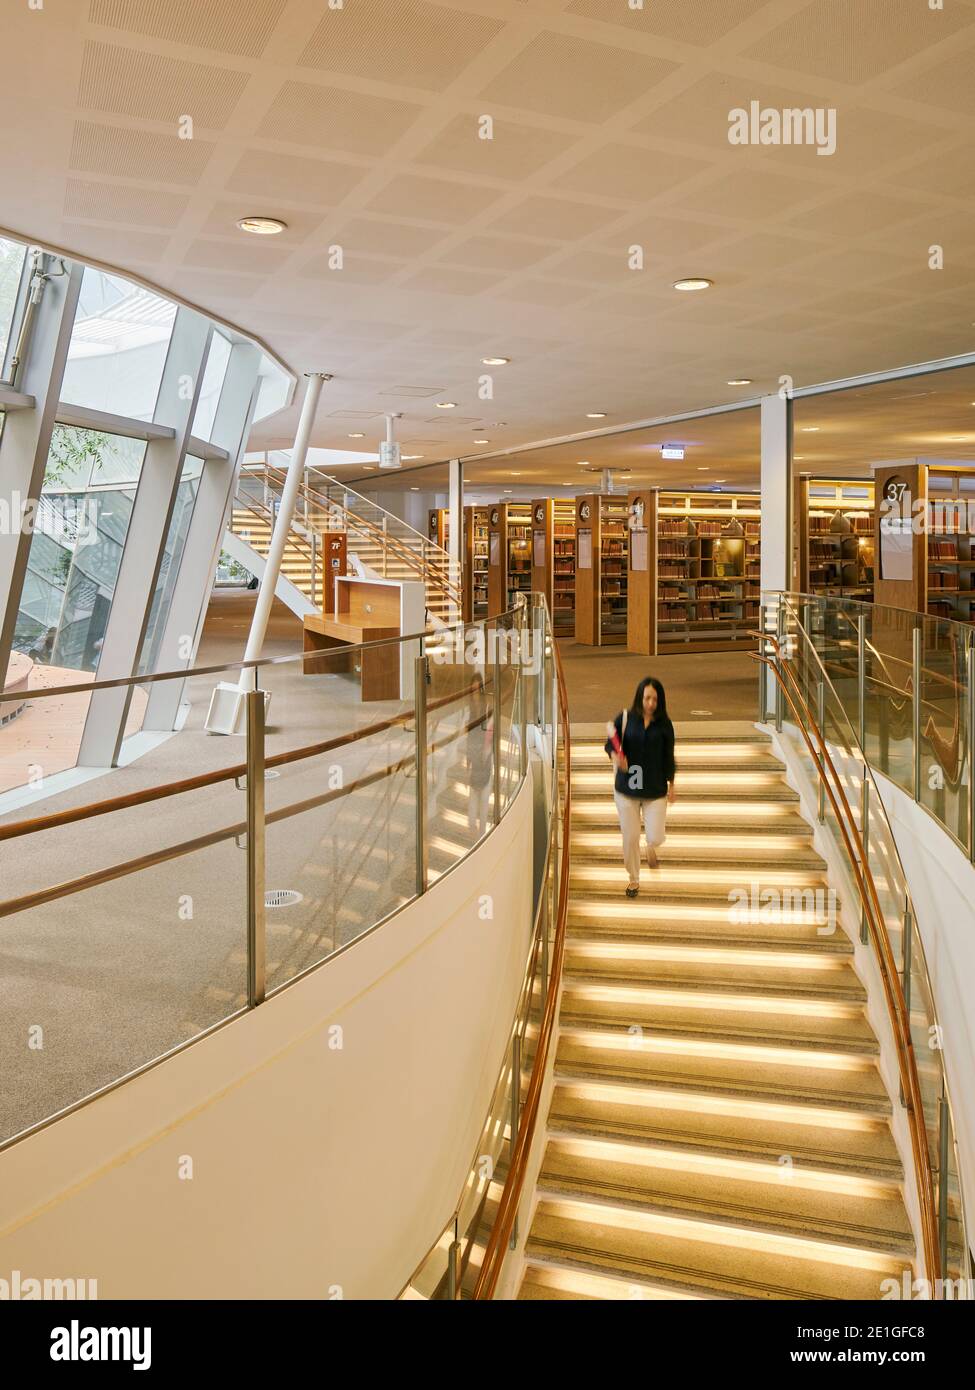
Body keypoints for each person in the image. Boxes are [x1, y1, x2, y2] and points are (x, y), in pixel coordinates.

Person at [605, 677, 677, 898]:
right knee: (630, 836)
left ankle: (651, 846)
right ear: (640, 697)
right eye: (647, 698)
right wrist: (616, 756)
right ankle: (633, 879)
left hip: (654, 788)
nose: (650, 703)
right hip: (627, 788)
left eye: (655, 699)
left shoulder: (665, 725)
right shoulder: (626, 718)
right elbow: (610, 743)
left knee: (655, 836)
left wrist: (672, 784)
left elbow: (668, 756)